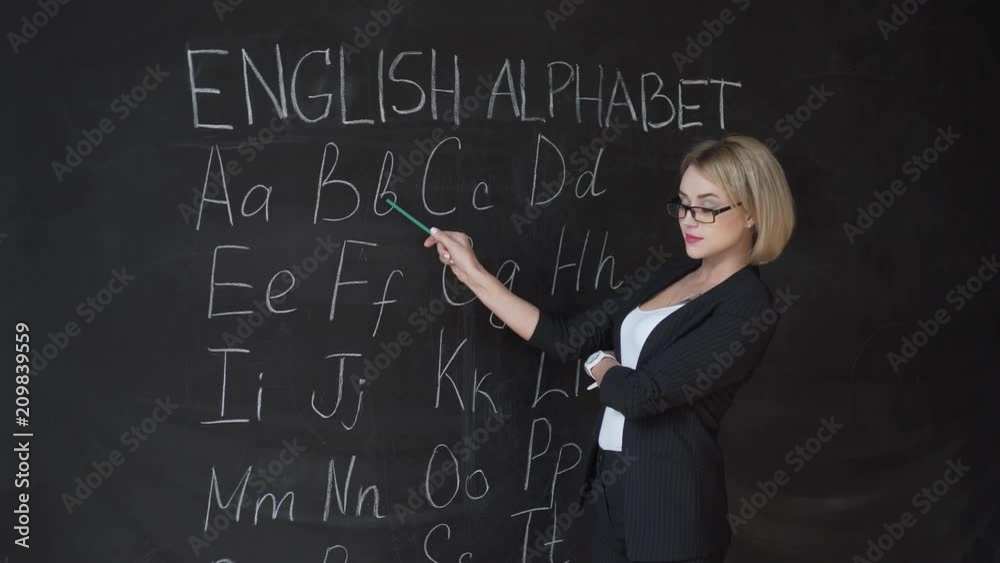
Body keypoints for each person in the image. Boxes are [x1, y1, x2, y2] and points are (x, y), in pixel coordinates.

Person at [423, 133, 796, 563]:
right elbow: (569, 339)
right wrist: (473, 274)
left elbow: (640, 395)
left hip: (670, 509)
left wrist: (600, 364)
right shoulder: (674, 272)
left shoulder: (748, 306)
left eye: (708, 207)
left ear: (752, 214)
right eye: (683, 203)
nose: (689, 219)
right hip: (611, 485)